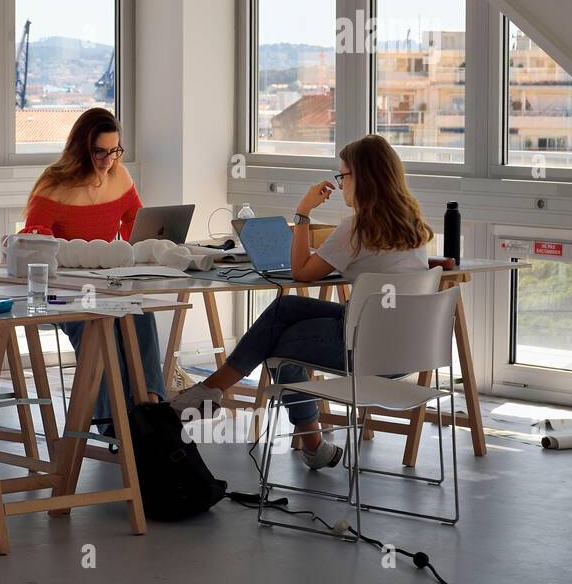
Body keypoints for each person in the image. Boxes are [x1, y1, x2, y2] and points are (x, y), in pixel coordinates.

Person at [171, 134, 441, 470]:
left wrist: (302, 212)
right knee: (285, 309)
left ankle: (210, 394)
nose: (341, 185)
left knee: (274, 340)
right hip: (406, 350)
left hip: (366, 351)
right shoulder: (413, 225)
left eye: (344, 176)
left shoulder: (357, 227)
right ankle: (305, 442)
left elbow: (300, 271)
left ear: (363, 179)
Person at [22, 107, 165, 425]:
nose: (108, 160)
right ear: (82, 149)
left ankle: (149, 405)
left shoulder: (120, 176)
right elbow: (33, 243)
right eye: (100, 152)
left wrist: (148, 251)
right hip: (62, 291)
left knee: (139, 312)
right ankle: (112, 420)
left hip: (106, 284)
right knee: (102, 325)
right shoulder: (53, 185)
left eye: (115, 151)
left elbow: (137, 227)